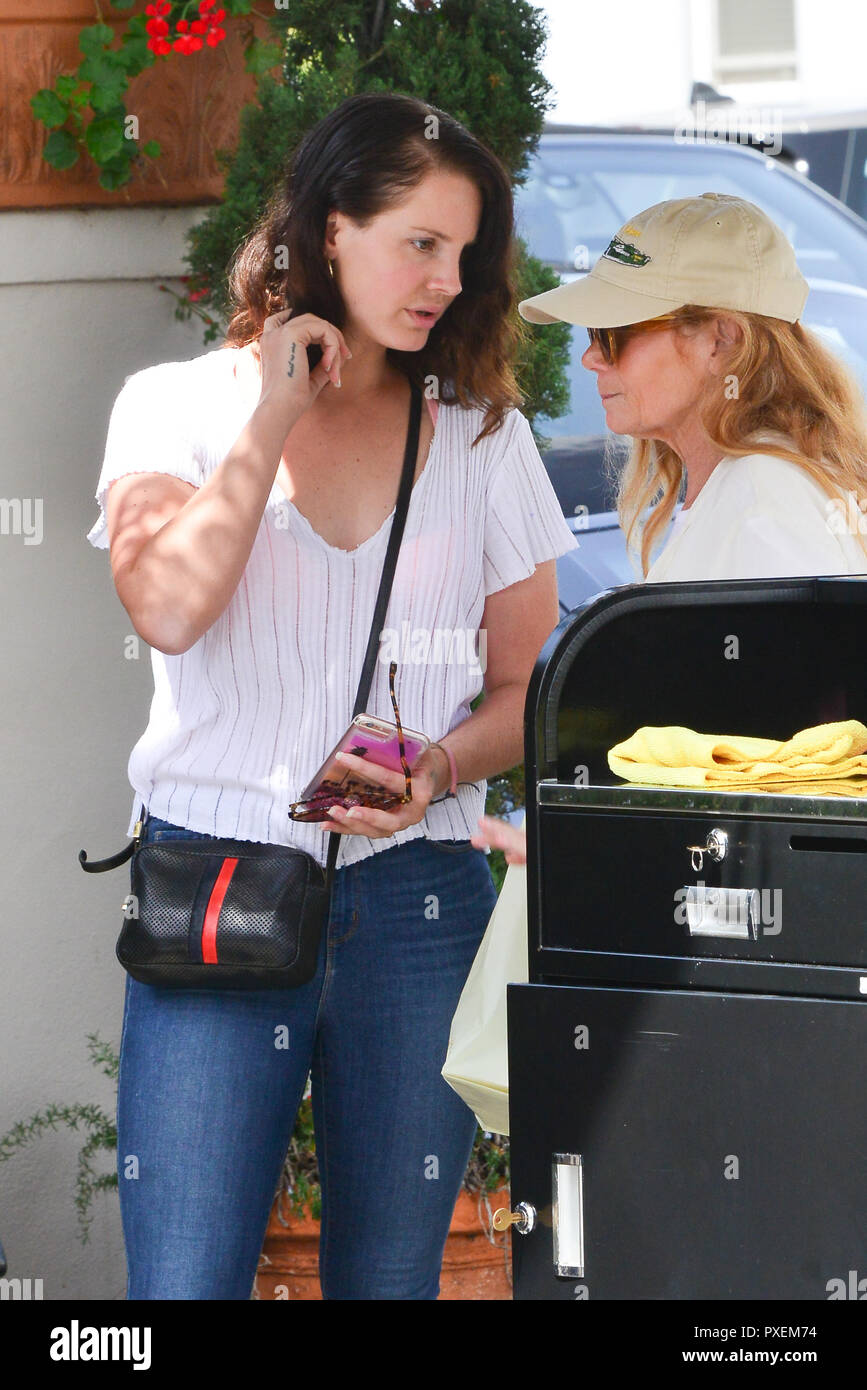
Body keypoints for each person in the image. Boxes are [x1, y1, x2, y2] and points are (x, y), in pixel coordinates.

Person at [86, 91, 578, 1300]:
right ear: (330, 227)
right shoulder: (174, 406)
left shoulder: (481, 437)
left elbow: (533, 687)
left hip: (421, 902)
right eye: (421, 241)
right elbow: (168, 608)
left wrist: (442, 770)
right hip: (218, 886)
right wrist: (274, 409)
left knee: (393, 1279)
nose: (447, 280)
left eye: (465, 254)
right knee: (184, 1284)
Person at [472, 191, 867, 864]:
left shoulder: (765, 501)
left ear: (722, 340)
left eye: (614, 335)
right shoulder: (751, 488)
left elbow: (793, 787)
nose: (590, 359)